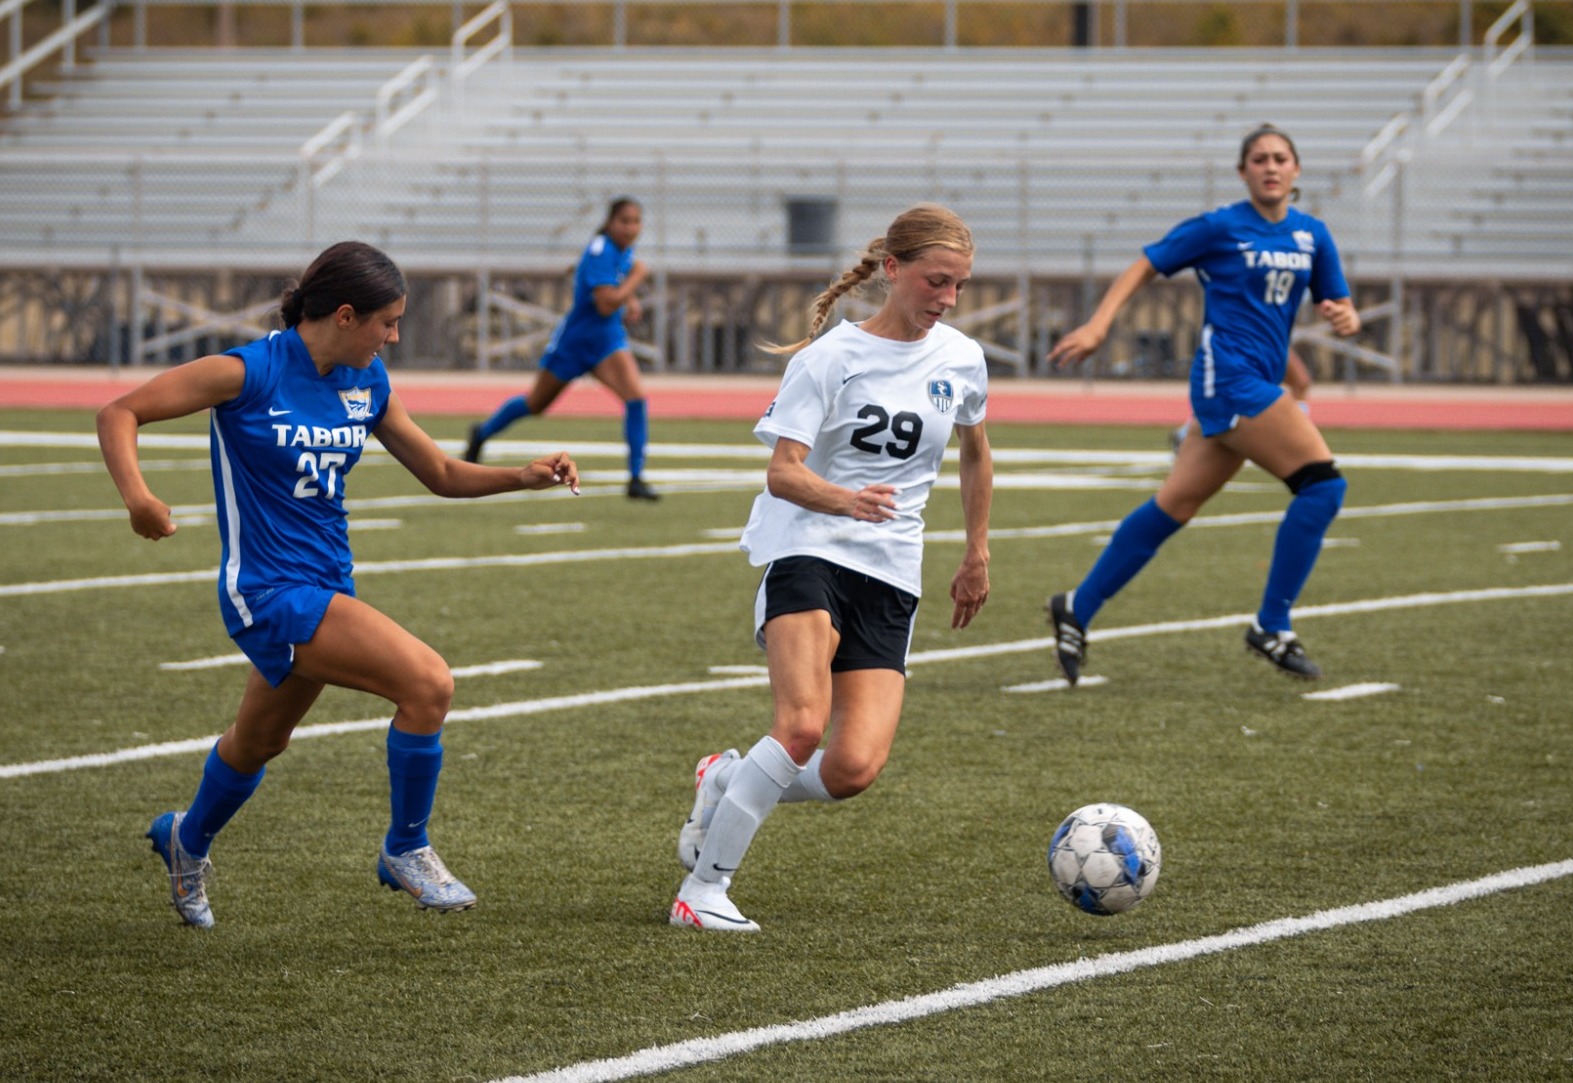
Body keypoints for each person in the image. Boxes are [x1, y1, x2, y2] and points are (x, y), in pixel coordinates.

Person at [97, 241, 581, 929]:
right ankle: (405, 846)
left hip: (330, 585)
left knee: (257, 742)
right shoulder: (248, 371)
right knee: (428, 682)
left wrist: (520, 476)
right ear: (346, 315)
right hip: (268, 591)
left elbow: (440, 473)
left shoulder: (368, 380)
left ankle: (186, 838)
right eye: (387, 321)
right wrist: (139, 497)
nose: (394, 335)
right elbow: (118, 412)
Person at [669, 204, 993, 932]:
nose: (947, 298)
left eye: (960, 286)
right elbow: (783, 474)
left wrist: (976, 550)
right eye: (936, 281)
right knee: (801, 727)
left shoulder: (962, 359)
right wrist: (844, 500)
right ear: (892, 270)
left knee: (851, 769)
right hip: (807, 550)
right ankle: (704, 888)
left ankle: (723, 775)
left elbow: (976, 450)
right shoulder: (828, 359)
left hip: (892, 571)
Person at [1047, 124, 1360, 683]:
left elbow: (1337, 301)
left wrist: (1346, 316)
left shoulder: (1312, 235)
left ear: (1296, 171)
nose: (1270, 166)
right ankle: (1272, 624)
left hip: (1255, 383)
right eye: (1259, 159)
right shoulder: (1220, 226)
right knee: (1324, 486)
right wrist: (1099, 325)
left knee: (1173, 508)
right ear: (1243, 172)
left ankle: (1078, 606)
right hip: (1229, 382)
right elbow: (1146, 262)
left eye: (1280, 158)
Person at [463, 196, 659, 500]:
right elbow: (606, 304)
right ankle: (482, 433)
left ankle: (636, 478)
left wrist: (629, 298)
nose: (631, 227)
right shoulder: (601, 249)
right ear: (610, 223)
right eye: (625, 221)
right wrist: (635, 281)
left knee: (636, 399)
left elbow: (608, 285)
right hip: (575, 342)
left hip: (607, 341)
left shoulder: (620, 250)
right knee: (535, 404)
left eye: (636, 221)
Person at [1171, 348, 1311, 453]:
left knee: (1298, 382)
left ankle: (1292, 434)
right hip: (1250, 333)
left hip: (1270, 333)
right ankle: (1190, 432)